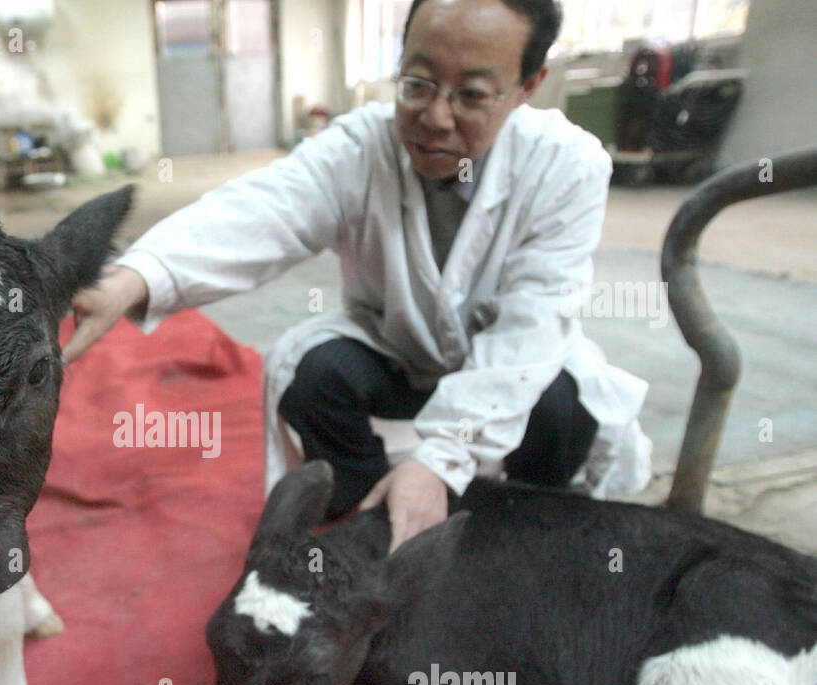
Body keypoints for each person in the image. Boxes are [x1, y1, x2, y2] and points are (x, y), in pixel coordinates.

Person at [63, 0, 651, 551]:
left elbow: (534, 323)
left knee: (562, 409)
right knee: (315, 375)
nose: (435, 118)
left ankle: (508, 531)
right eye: (417, 84)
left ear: (527, 87)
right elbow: (263, 210)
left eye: (471, 95)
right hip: (397, 354)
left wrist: (438, 462)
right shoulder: (362, 146)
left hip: (510, 366)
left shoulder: (566, 166)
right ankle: (366, 516)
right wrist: (133, 277)